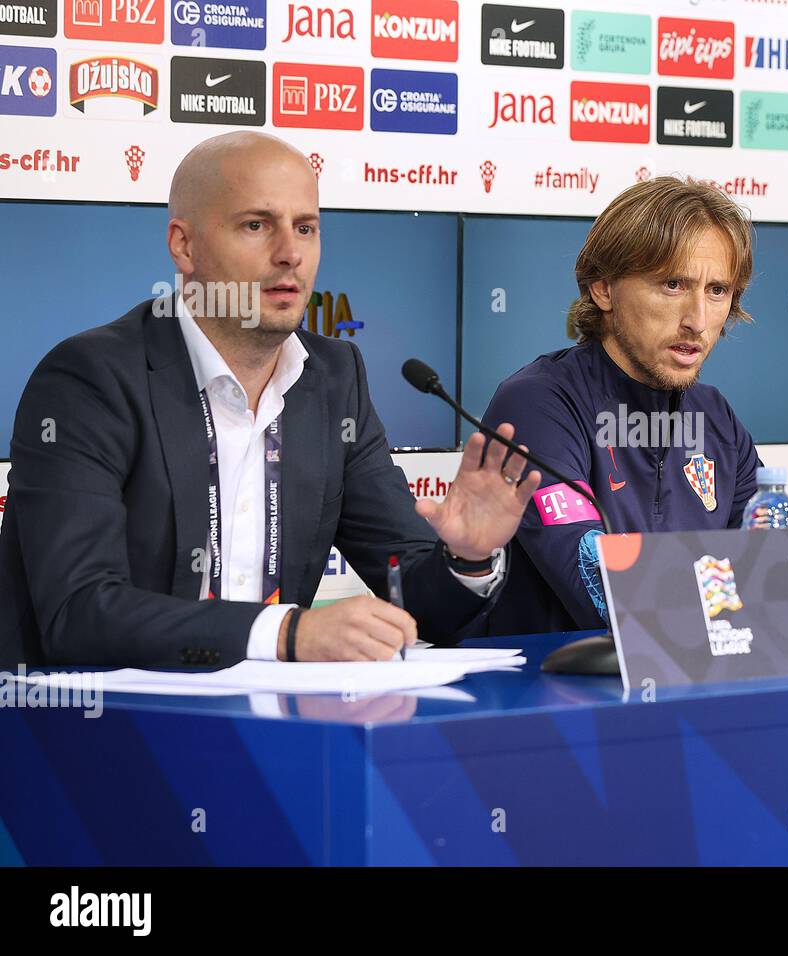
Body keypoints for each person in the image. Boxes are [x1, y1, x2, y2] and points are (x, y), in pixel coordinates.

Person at [0, 132, 540, 669]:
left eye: (306, 228)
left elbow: (416, 602)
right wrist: (286, 633)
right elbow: (78, 612)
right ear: (183, 246)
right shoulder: (90, 379)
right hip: (95, 732)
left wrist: (466, 559)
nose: (290, 254)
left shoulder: (334, 378)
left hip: (271, 729)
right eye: (256, 225)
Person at [477, 177, 788, 637]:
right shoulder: (538, 402)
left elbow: (763, 561)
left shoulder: (713, 415)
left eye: (717, 291)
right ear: (602, 287)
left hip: (691, 692)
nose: (698, 320)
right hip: (557, 703)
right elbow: (600, 586)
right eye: (672, 285)